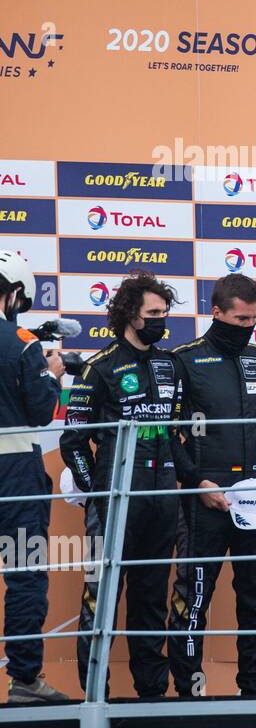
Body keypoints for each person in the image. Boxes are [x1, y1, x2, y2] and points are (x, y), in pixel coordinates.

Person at [61, 269, 183, 698]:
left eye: (164, 313)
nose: (160, 321)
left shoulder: (171, 364)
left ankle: (152, 698)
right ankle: (95, 696)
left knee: (152, 602)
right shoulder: (98, 367)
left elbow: (179, 432)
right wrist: (96, 492)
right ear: (131, 314)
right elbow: (73, 440)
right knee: (101, 601)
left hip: (162, 499)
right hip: (115, 500)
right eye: (153, 313)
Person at [166, 274, 256, 696]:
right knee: (194, 599)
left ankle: (255, 693)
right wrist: (195, 481)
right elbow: (166, 432)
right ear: (215, 312)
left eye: (253, 319)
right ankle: (189, 693)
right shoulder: (182, 360)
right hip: (207, 500)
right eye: (239, 319)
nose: (247, 327)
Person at [0, 250, 67, 703]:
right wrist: (53, 373)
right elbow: (43, 411)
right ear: (16, 294)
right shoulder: (21, 343)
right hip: (15, 474)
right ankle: (25, 680)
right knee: (24, 572)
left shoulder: (23, 339)